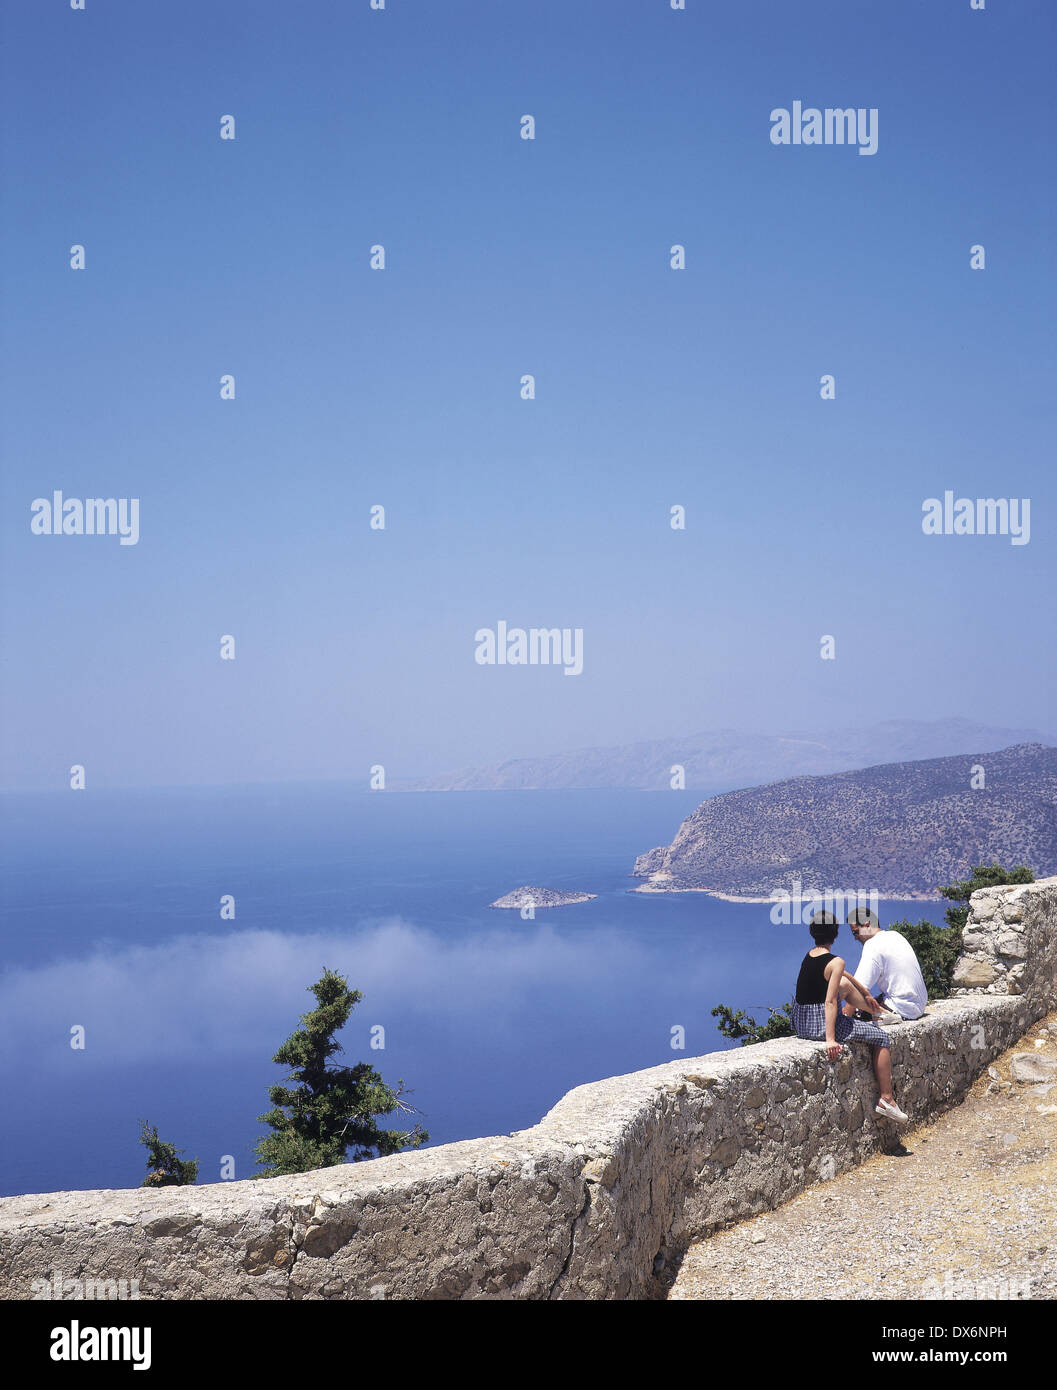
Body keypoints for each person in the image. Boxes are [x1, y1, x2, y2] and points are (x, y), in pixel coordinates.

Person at [791, 911, 909, 1123]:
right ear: (835, 935)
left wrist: (864, 991)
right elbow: (830, 1001)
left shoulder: (810, 955)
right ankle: (887, 1099)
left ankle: (878, 1012)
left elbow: (841, 976)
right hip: (822, 1026)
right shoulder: (837, 961)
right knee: (881, 1038)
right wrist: (830, 1039)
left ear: (813, 933)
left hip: (801, 1023)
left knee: (844, 984)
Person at [845, 907, 928, 1022]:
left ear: (867, 924)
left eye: (856, 932)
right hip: (919, 1006)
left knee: (855, 1015)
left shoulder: (873, 945)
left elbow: (857, 988)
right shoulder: (895, 935)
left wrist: (845, 1017)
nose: (855, 937)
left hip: (902, 1009)